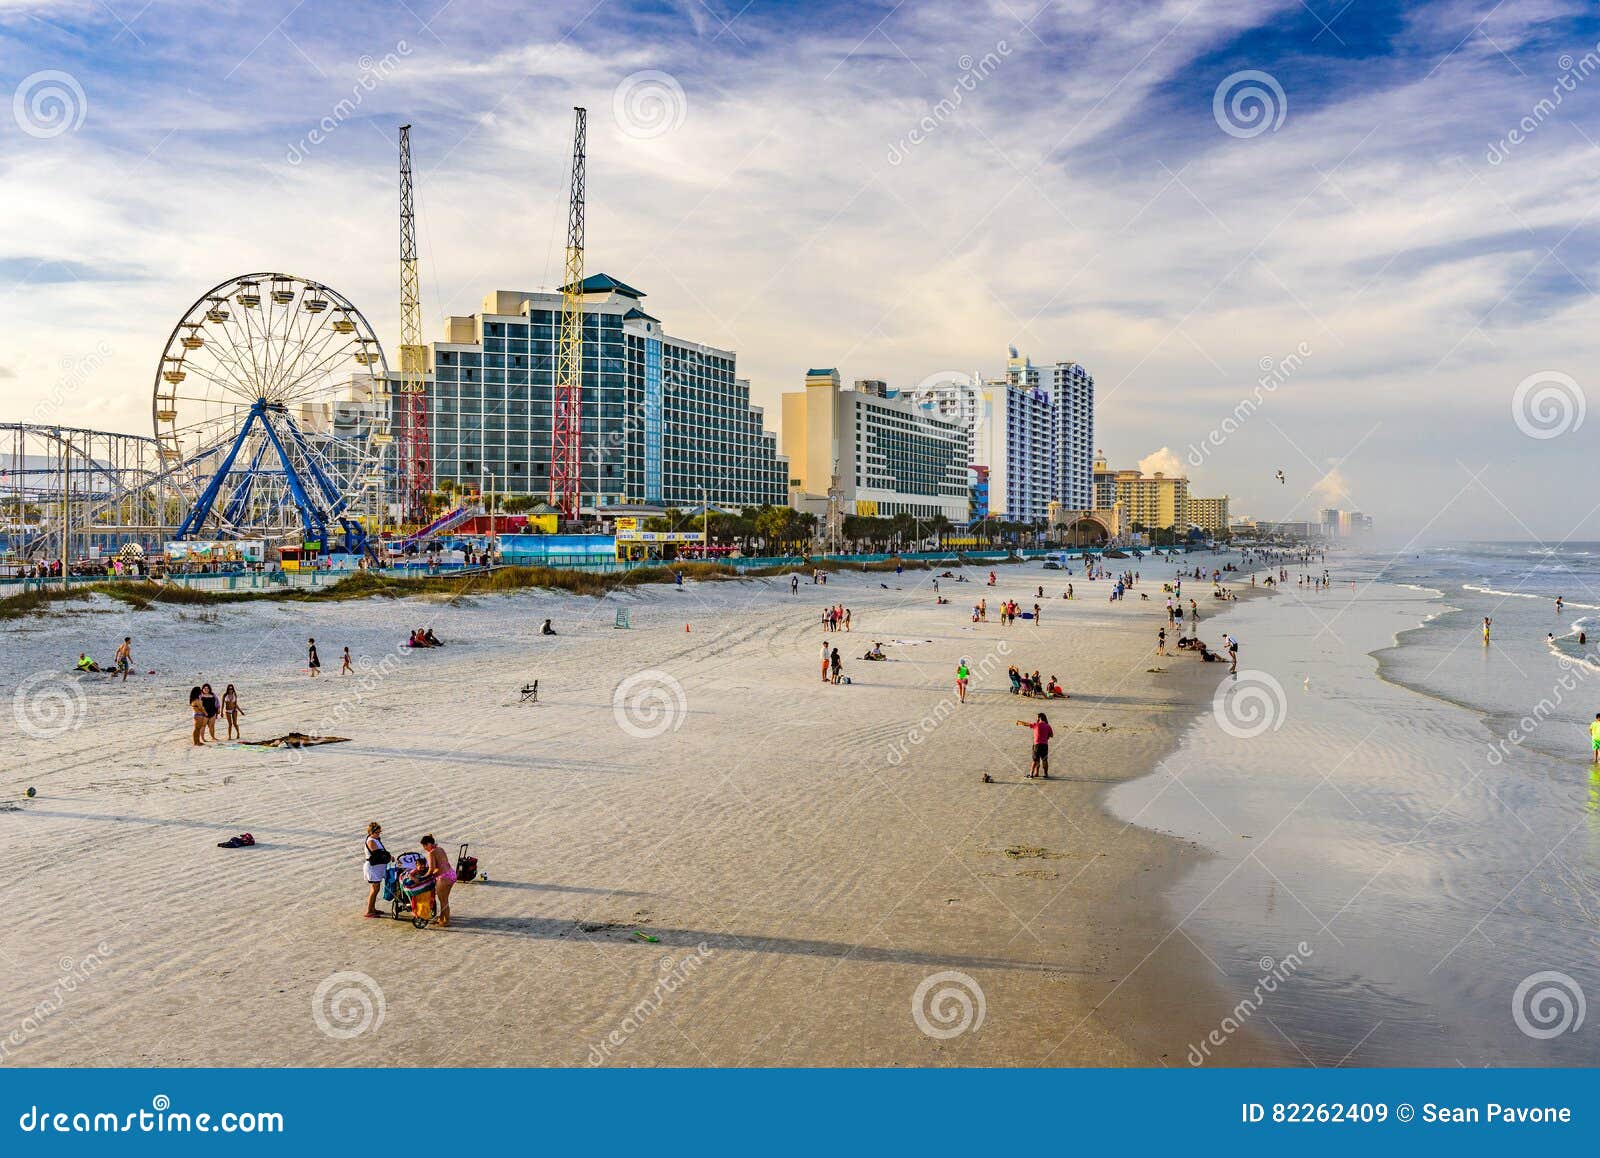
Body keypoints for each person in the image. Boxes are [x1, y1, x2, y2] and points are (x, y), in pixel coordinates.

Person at [420, 834, 455, 927]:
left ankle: (446, 921)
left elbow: (431, 869)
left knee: (443, 901)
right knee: (444, 900)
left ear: (428, 844)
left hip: (443, 878)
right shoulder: (440, 849)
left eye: (424, 846)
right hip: (451, 874)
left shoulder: (432, 852)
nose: (424, 848)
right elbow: (443, 864)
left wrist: (423, 877)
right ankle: (441, 918)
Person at [363, 821, 390, 919]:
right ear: (371, 832)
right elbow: (378, 855)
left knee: (376, 888)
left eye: (379, 832)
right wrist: (389, 857)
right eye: (377, 832)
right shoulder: (371, 841)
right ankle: (369, 911)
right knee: (374, 889)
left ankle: (373, 908)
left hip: (377, 868)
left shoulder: (376, 839)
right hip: (373, 868)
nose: (379, 834)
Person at [1015, 712, 1053, 778]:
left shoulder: (1036, 725)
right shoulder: (1048, 726)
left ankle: (1031, 774)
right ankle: (1045, 774)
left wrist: (1019, 722)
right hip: (1045, 745)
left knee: (1035, 760)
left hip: (1037, 745)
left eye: (1037, 717)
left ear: (1040, 718)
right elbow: (1051, 735)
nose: (1036, 719)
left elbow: (1026, 724)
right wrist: (1046, 737)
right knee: (1044, 759)